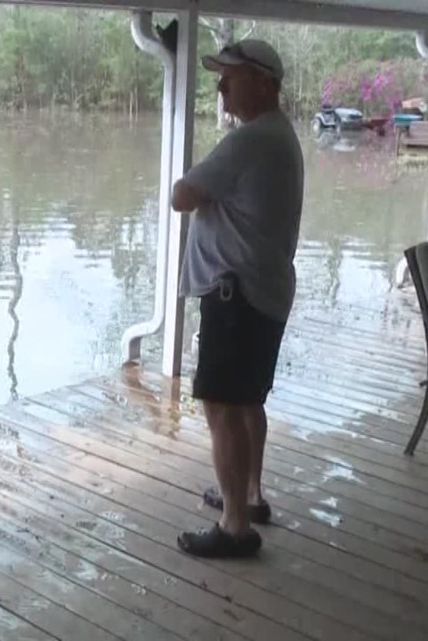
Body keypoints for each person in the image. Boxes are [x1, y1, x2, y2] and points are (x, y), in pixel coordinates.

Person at [170, 39, 304, 558]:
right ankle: (249, 496)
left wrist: (195, 187)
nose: (221, 84)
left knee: (222, 407)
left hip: (236, 295)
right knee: (247, 400)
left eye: (232, 75)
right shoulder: (278, 136)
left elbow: (183, 195)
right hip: (261, 291)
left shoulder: (251, 140)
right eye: (220, 74)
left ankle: (234, 528)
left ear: (266, 83)